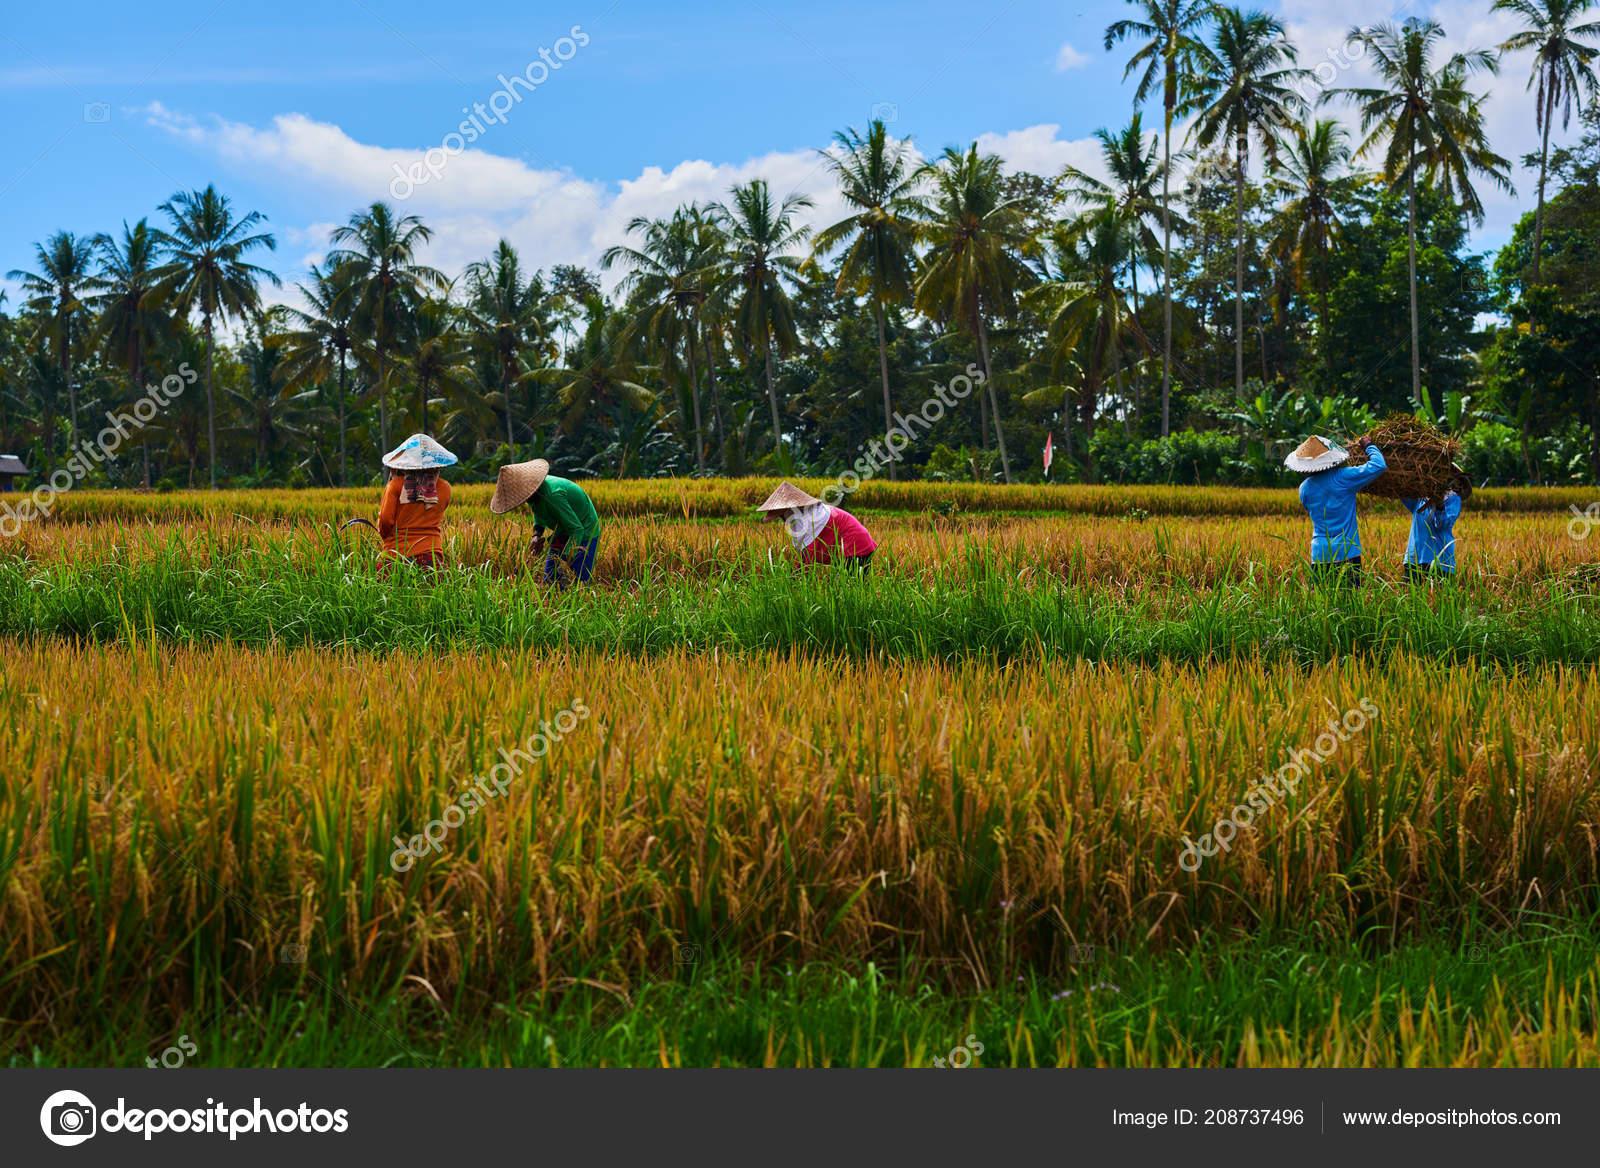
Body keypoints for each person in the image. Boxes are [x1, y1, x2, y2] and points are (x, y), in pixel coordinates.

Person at [1285, 434, 1386, 584]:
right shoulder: (1343, 477)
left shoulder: (1304, 488)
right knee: (1351, 599)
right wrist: (1368, 446)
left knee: (1322, 602)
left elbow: (1310, 508)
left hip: (1320, 554)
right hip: (1347, 551)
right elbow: (1379, 465)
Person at [489, 458, 601, 588]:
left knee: (577, 584)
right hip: (563, 530)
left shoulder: (553, 495)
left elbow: (577, 530)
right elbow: (539, 515)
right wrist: (536, 535)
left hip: (585, 531)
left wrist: (564, 560)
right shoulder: (533, 497)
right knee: (549, 580)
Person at [377, 433, 456, 572]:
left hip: (397, 553)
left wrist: (386, 537)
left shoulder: (395, 485)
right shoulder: (445, 488)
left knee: (388, 593)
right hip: (430, 554)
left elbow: (385, 521)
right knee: (428, 593)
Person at [756, 481, 878, 571]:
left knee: (852, 590)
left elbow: (807, 560)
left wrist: (793, 581)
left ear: (790, 510)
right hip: (853, 546)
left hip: (856, 547)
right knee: (847, 590)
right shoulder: (806, 516)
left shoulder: (812, 518)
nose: (783, 519)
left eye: (782, 514)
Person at [1401, 484, 1466, 581]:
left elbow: (1443, 523)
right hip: (1413, 558)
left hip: (1439, 560)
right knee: (1409, 594)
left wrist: (1439, 504)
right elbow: (1403, 494)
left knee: (1438, 595)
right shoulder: (1421, 498)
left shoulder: (1452, 498)